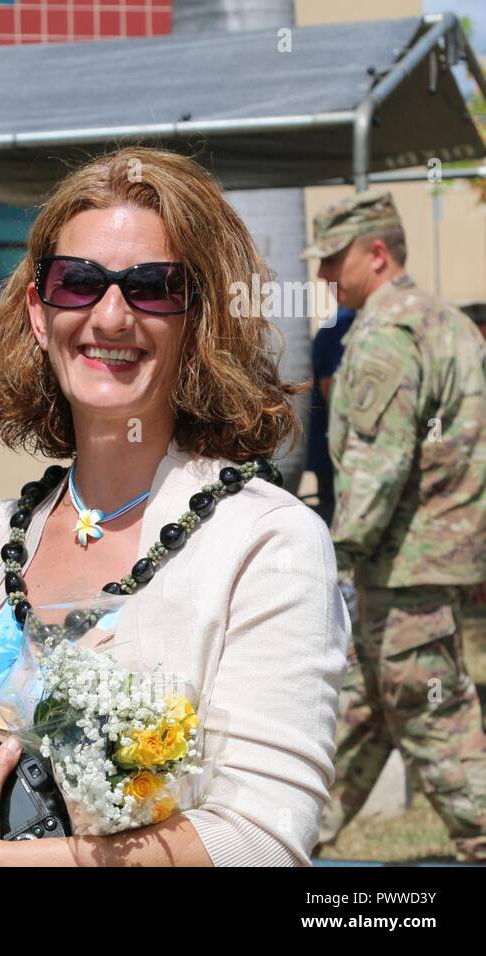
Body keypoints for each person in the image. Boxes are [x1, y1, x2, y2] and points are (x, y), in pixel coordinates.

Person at [0, 147, 349, 866]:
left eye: (152, 287)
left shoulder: (266, 543)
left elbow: (264, 837)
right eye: (78, 281)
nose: (111, 315)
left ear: (199, 318)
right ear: (37, 309)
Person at [302, 190, 486, 862]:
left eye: (333, 260)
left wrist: (325, 555)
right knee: (361, 709)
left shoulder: (387, 333)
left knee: (433, 719)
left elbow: (380, 466)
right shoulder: (450, 323)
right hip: (428, 562)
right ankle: (290, 837)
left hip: (403, 566)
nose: (325, 276)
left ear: (375, 253)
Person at [305, 307, 354, 526]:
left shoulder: (342, 321)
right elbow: (330, 386)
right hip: (337, 454)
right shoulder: (345, 324)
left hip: (332, 451)